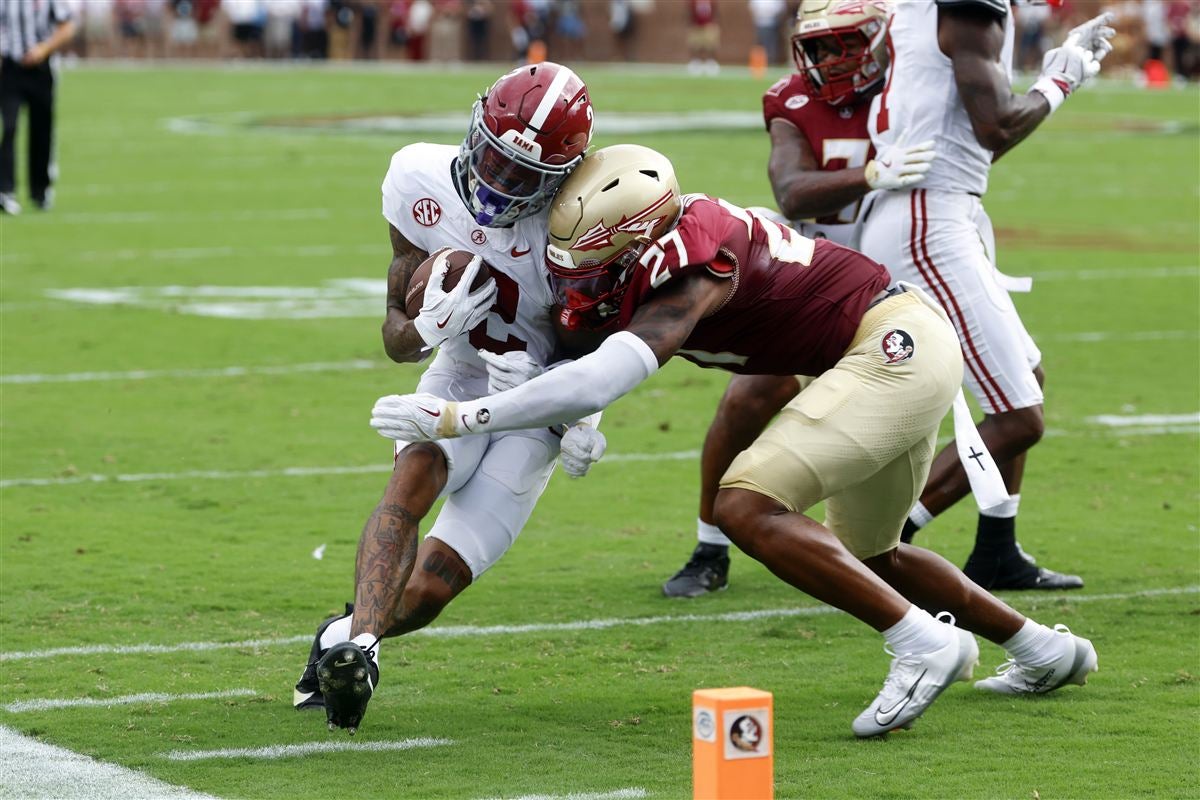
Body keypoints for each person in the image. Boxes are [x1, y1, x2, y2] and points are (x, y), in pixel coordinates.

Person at [369, 144, 1099, 737]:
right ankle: (1044, 649)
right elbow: (586, 363)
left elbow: (608, 373)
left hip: (892, 350)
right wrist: (576, 420)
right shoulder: (639, 251)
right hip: (886, 349)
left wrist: (461, 418)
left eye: (588, 256)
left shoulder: (693, 260)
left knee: (744, 505)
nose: (570, 272)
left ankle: (921, 643)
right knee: (872, 554)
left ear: (640, 237)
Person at [293, 62, 602, 735]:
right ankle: (362, 652)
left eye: (525, 176)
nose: (500, 182)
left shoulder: (582, 223)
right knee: (414, 476)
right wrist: (426, 330)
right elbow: (394, 338)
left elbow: (600, 344)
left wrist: (583, 415)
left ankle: (340, 634)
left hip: (538, 405)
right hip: (461, 371)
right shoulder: (419, 178)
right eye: (494, 158)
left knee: (432, 587)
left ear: (562, 179)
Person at [663, 0, 938, 598]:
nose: (825, 60)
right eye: (815, 47)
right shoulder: (792, 100)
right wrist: (869, 175)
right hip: (816, 280)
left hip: (901, 274)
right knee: (747, 399)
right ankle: (710, 545)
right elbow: (791, 190)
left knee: (1008, 387)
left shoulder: (913, 91)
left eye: (840, 45)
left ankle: (992, 536)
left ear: (876, 41)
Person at [857, 2, 1116, 590]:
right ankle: (869, 546)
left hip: (934, 206)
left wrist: (1052, 79)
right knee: (1018, 416)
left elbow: (976, 140)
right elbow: (995, 126)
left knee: (1026, 377)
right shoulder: (971, 10)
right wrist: (1058, 81)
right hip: (929, 218)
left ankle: (997, 549)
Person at [0, 0, 77, 215]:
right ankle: (5, 190)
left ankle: (40, 190)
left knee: (41, 130)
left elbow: (67, 26)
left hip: (41, 69)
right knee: (8, 126)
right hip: (10, 69)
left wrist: (44, 48)